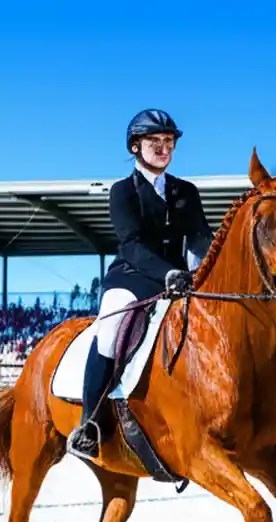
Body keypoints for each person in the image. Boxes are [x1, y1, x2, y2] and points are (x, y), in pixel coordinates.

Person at [67, 108, 214, 461]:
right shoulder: (122, 191)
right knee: (111, 325)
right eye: (155, 142)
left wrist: (205, 267)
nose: (164, 148)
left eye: (168, 142)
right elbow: (131, 243)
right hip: (132, 278)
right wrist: (167, 273)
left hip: (179, 282)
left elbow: (199, 238)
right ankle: (90, 421)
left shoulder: (186, 191)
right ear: (136, 146)